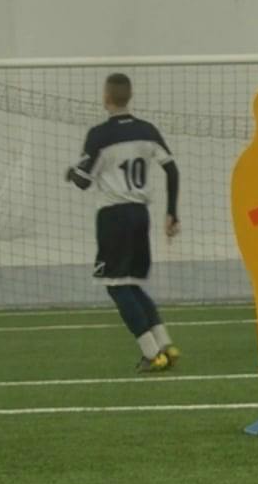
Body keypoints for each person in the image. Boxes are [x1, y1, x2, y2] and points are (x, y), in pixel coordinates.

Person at [67, 73, 180, 369]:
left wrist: (70, 171)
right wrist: (172, 213)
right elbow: (172, 170)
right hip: (140, 216)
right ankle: (165, 344)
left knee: (116, 286)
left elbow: (82, 180)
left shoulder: (99, 135)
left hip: (114, 216)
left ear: (106, 97)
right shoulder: (147, 130)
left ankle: (151, 353)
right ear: (129, 96)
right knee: (130, 283)